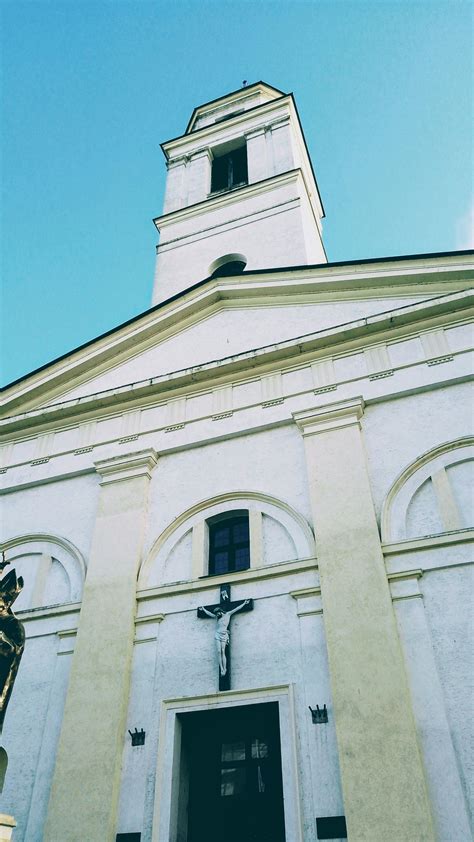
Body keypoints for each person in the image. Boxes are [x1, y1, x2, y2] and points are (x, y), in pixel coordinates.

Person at [199, 600, 250, 676]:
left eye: (218, 613)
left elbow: (237, 608)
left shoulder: (228, 614)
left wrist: (244, 603)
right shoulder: (217, 617)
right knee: (219, 651)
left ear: (220, 611)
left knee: (223, 651)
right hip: (217, 634)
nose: (217, 614)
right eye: (216, 614)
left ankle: (225, 668)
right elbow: (210, 614)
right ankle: (221, 668)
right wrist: (203, 609)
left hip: (224, 634)